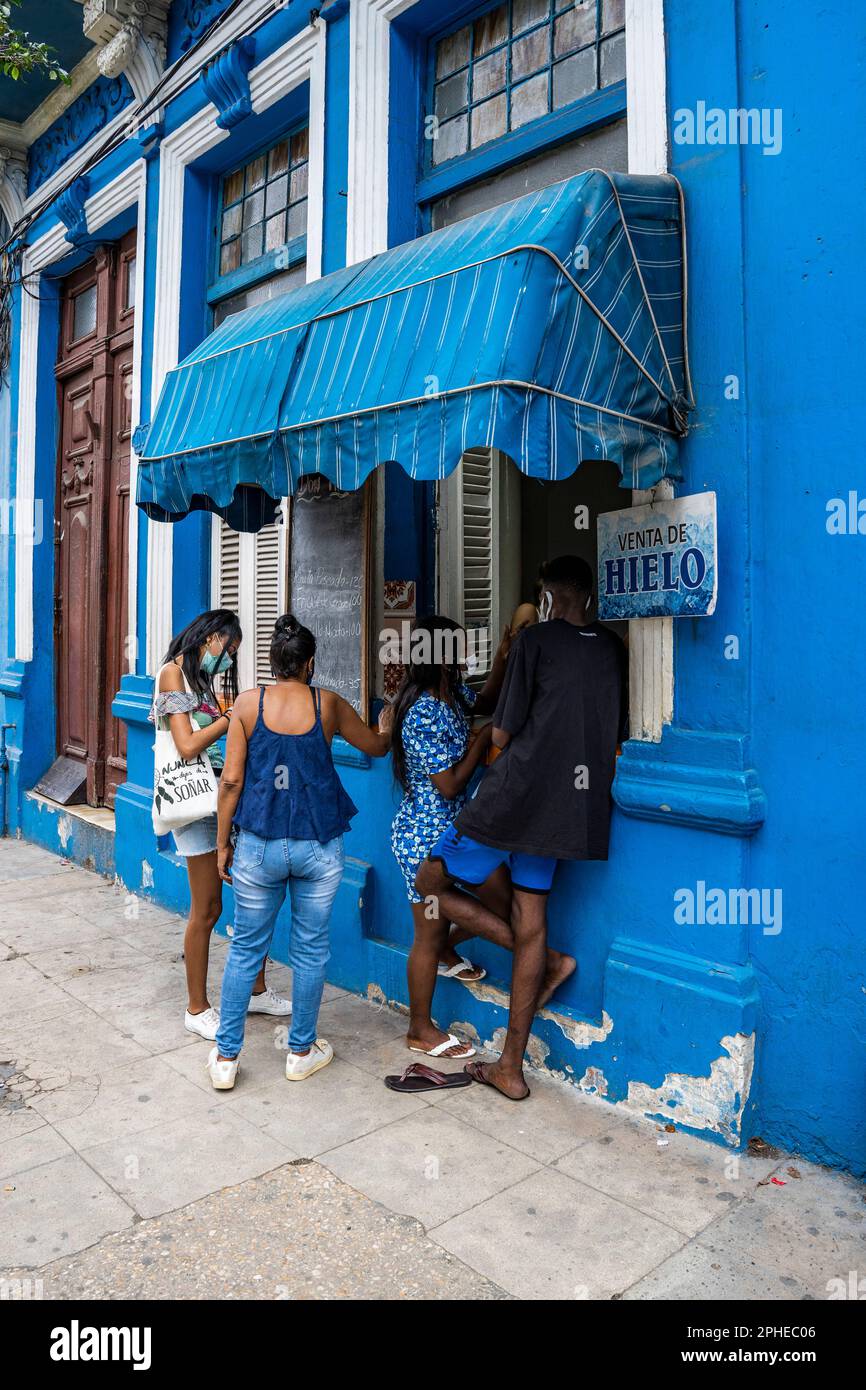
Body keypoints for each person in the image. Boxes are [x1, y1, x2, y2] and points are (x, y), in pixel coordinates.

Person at [416, 556, 626, 1100]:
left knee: (429, 883)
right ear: (591, 595)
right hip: (567, 808)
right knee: (533, 920)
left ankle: (532, 958)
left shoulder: (536, 644)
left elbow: (503, 734)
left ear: (550, 597)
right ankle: (511, 1066)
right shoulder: (610, 648)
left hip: (512, 799)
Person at [207, 614, 391, 1090]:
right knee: (310, 951)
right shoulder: (327, 704)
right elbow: (375, 745)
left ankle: (226, 1058)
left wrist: (222, 843)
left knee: (246, 948)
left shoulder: (248, 705)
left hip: (257, 845)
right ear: (310, 664)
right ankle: (301, 1052)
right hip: (318, 845)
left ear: (272, 662)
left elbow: (230, 781)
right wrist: (388, 723)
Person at [152, 609, 289, 1040]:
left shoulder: (200, 681)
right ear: (210, 637)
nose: (229, 658)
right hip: (194, 805)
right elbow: (188, 744)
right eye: (228, 648)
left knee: (257, 892)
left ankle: (256, 990)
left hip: (223, 801)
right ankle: (196, 1007)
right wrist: (233, 719)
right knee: (207, 908)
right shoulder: (172, 675)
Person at [390, 616, 516, 1059]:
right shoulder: (421, 709)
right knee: (426, 933)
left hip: (458, 833)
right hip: (424, 839)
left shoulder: (450, 693)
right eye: (456, 646)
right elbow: (449, 785)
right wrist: (481, 743)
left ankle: (448, 946)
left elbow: (485, 698)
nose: (464, 654)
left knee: (498, 896)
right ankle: (420, 1029)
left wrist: (503, 657)